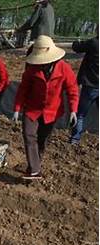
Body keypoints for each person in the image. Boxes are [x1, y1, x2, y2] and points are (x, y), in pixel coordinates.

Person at [13, 36, 78, 180]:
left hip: (52, 111)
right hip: (32, 109)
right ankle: (35, 171)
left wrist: (73, 110)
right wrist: (17, 108)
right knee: (29, 135)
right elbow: (23, 89)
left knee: (42, 140)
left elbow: (72, 89)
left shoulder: (64, 68)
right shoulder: (32, 69)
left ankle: (33, 167)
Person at [69, 35, 99, 144]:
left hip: (91, 85)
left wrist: (76, 41)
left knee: (80, 114)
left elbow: (77, 47)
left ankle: (75, 139)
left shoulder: (94, 43)